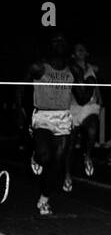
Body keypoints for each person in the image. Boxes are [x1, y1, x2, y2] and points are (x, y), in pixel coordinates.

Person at [27, 34, 75, 216]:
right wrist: (18, 109)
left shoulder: (72, 71)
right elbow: (20, 84)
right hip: (43, 115)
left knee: (57, 162)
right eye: (55, 41)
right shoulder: (40, 67)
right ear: (49, 46)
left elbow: (81, 94)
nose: (59, 44)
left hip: (63, 116)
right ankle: (36, 156)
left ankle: (44, 200)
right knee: (45, 157)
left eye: (62, 41)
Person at [67, 42, 101, 182]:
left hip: (89, 107)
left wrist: (99, 98)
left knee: (93, 129)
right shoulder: (69, 69)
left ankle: (87, 157)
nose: (81, 51)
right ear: (73, 55)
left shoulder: (91, 69)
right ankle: (67, 175)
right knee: (70, 145)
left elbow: (95, 86)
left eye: (83, 49)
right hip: (74, 108)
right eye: (78, 50)